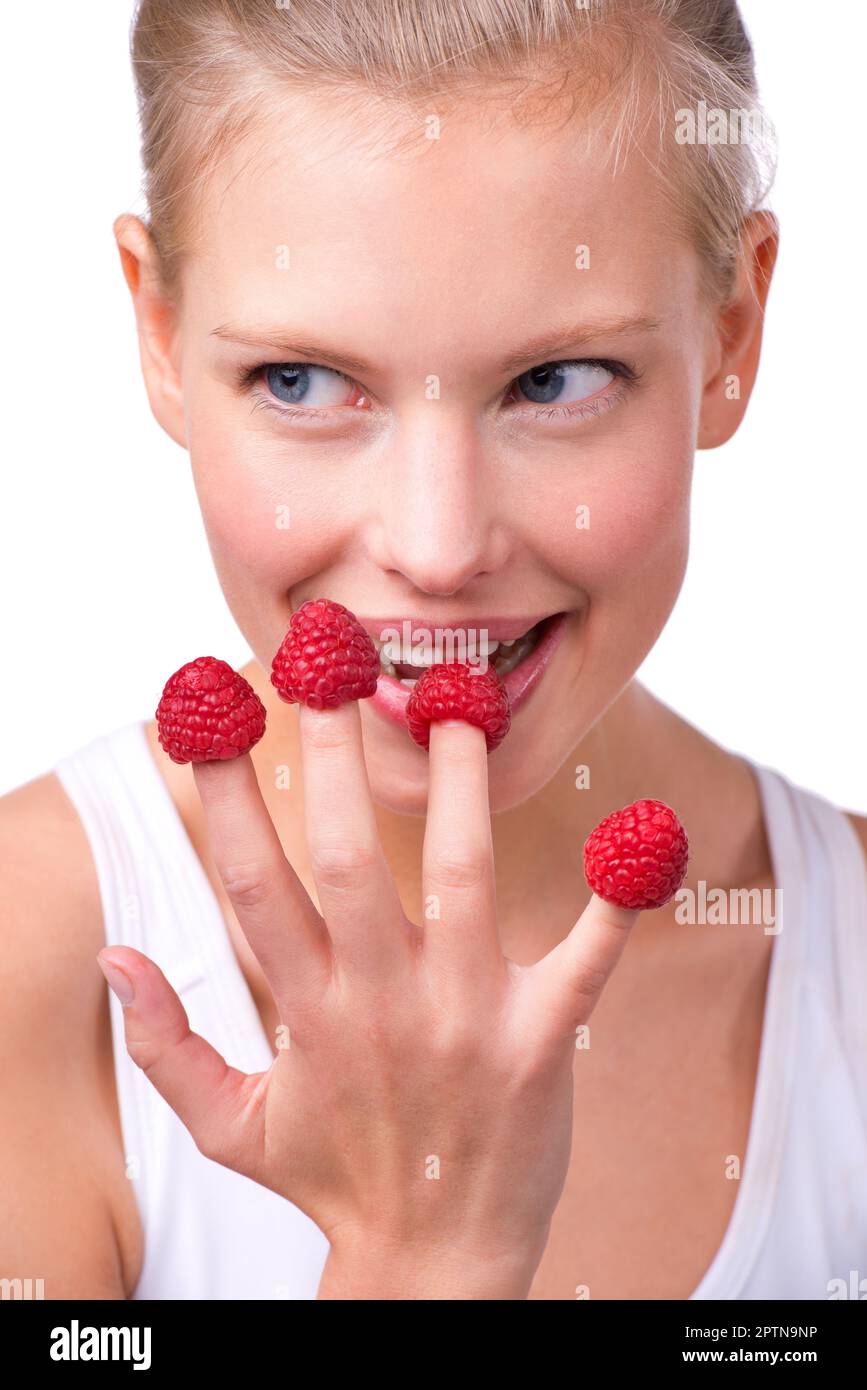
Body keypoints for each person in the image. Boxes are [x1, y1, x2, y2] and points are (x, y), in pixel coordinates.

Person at [2, 0, 865, 1301]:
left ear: (732, 335)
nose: (438, 544)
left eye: (559, 379)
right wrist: (428, 1252)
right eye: (301, 381)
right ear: (162, 337)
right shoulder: (28, 962)